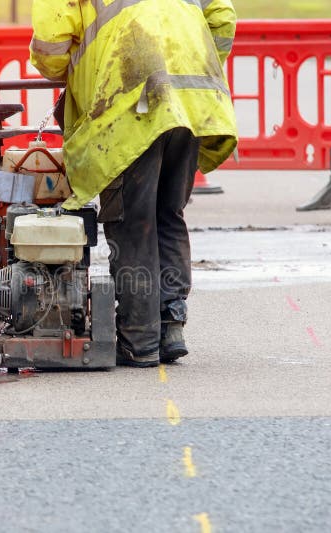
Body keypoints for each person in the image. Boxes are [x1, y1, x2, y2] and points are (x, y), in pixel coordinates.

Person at [30, 0, 238, 367]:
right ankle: (171, 326)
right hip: (193, 95)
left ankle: (139, 341)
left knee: (133, 221)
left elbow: (51, 46)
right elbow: (222, 17)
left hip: (130, 92)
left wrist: (82, 69)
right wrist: (191, 59)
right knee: (168, 213)